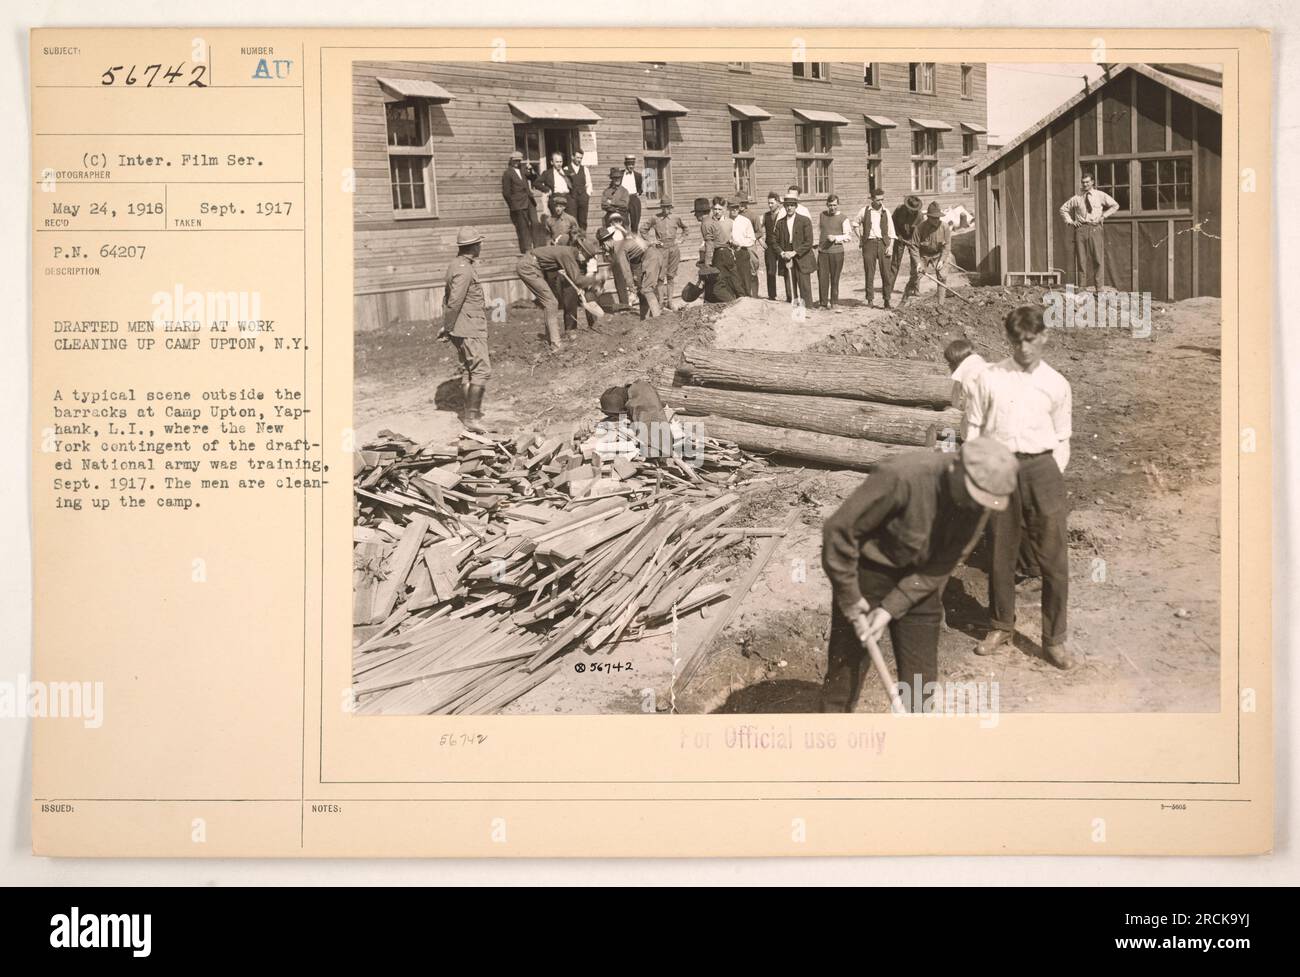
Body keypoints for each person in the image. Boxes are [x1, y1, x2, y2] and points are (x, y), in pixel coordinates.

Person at [820, 437, 1019, 712]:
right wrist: (850, 596)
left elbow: (943, 564)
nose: (976, 506)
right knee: (845, 674)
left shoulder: (980, 502)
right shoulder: (902, 476)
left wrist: (891, 608)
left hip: (920, 580)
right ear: (956, 468)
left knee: (920, 685)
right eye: (973, 495)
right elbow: (838, 532)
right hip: (869, 573)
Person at [966, 305, 1074, 670]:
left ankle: (1054, 639)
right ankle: (1000, 626)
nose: (1024, 348)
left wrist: (1050, 474)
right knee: (1000, 552)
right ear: (1008, 340)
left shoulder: (1056, 383)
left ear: (1044, 337)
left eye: (1030, 339)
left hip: (1042, 468)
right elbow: (973, 428)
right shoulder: (990, 377)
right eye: (1016, 341)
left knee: (1054, 559)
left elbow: (1062, 437)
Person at [442, 226, 493, 433]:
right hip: (469, 327)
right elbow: (454, 301)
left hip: (461, 326)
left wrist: (448, 327)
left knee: (468, 370)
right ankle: (472, 417)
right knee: (481, 369)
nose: (481, 246)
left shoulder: (456, 264)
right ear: (473, 247)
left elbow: (448, 299)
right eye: (479, 243)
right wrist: (447, 328)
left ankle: (469, 414)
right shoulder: (464, 269)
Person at [515, 235, 603, 349]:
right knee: (551, 302)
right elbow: (578, 280)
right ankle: (556, 344)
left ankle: (550, 338)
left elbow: (574, 278)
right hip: (528, 267)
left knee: (550, 302)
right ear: (580, 250)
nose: (587, 260)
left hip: (533, 265)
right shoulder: (568, 255)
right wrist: (596, 278)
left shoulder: (568, 253)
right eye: (587, 256)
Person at [1058, 172, 1119, 291]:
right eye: (1083, 182)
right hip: (1081, 230)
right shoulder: (1077, 197)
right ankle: (1082, 287)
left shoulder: (1100, 195)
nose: (1085, 184)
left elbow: (1115, 205)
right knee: (1081, 259)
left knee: (1098, 259)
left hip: (1095, 228)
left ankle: (1099, 287)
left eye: (1087, 182)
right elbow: (1063, 209)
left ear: (1092, 182)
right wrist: (1071, 221)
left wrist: (1103, 216)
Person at [597, 225, 663, 319]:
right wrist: (636, 285)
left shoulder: (618, 249)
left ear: (605, 243)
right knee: (641, 291)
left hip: (652, 257)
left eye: (602, 247)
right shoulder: (618, 245)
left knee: (647, 289)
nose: (603, 250)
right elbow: (634, 263)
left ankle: (657, 319)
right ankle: (644, 320)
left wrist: (631, 288)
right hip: (645, 260)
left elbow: (626, 270)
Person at [852, 187, 895, 308]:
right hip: (869, 244)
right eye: (878, 200)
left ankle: (887, 300)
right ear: (872, 199)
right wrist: (860, 237)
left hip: (883, 244)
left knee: (886, 273)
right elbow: (855, 224)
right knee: (869, 272)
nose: (880, 202)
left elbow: (892, 232)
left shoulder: (886, 212)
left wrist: (890, 246)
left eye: (882, 199)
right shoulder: (864, 211)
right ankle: (870, 299)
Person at [643, 199, 689, 308]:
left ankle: (670, 302)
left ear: (671, 208)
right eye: (664, 207)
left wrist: (681, 239)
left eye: (668, 207)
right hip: (661, 249)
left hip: (673, 248)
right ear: (661, 207)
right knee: (660, 277)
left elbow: (686, 228)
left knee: (671, 276)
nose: (666, 209)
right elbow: (643, 229)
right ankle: (660, 302)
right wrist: (651, 241)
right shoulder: (655, 218)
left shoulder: (676, 218)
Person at [943, 338, 988, 442]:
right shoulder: (980, 367)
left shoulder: (970, 376)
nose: (949, 366)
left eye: (950, 363)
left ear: (955, 363)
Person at [776, 191, 815, 307]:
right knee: (790, 289)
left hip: (801, 257)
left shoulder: (804, 221)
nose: (789, 208)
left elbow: (809, 242)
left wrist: (794, 252)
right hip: (786, 258)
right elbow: (774, 242)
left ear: (796, 206)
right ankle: (793, 311)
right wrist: (782, 253)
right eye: (787, 205)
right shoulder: (780, 223)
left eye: (792, 205)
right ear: (784, 207)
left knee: (805, 287)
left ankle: (808, 309)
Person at [909, 202, 953, 306]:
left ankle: (940, 304)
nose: (936, 220)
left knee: (942, 277)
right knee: (915, 276)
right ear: (928, 217)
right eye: (934, 218)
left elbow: (946, 247)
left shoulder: (945, 227)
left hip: (939, 254)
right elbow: (914, 246)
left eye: (938, 218)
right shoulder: (919, 228)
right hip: (923, 254)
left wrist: (942, 260)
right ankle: (905, 301)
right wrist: (918, 263)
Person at [817, 193, 852, 308]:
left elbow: (848, 236)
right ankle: (823, 303)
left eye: (835, 205)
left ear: (838, 204)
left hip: (837, 253)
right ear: (827, 205)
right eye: (830, 205)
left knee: (835, 278)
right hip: (823, 252)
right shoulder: (822, 215)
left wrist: (836, 238)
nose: (833, 207)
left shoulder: (843, 218)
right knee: (822, 277)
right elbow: (820, 230)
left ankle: (834, 302)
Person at [501, 150, 537, 253]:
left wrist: (531, 170)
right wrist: (513, 205)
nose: (517, 163)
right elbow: (506, 193)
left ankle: (537, 247)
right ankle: (527, 250)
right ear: (511, 161)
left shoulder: (522, 170)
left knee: (535, 223)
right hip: (518, 205)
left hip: (529, 201)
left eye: (519, 161)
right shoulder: (507, 173)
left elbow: (534, 178)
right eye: (515, 161)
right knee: (523, 227)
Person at [891, 194, 925, 301]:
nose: (913, 212)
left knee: (915, 263)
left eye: (915, 210)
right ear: (907, 207)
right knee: (895, 263)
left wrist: (913, 242)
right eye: (911, 210)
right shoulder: (899, 210)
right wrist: (897, 235)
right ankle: (889, 287)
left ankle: (915, 288)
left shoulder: (919, 216)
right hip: (899, 237)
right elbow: (892, 224)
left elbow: (920, 232)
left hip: (913, 239)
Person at [760, 192, 788, 301]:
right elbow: (757, 228)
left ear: (778, 203)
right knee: (771, 271)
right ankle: (772, 296)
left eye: (772, 203)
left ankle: (789, 296)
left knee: (785, 269)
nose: (770, 205)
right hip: (770, 247)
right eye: (768, 203)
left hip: (782, 246)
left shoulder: (784, 214)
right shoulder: (765, 216)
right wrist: (760, 240)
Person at [728, 199, 758, 296]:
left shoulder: (745, 221)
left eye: (736, 208)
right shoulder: (725, 221)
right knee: (732, 279)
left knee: (745, 278)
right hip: (728, 253)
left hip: (742, 252)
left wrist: (739, 243)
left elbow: (752, 239)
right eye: (732, 208)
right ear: (728, 208)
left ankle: (747, 298)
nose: (734, 210)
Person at [533, 150, 570, 215]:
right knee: (558, 220)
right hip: (555, 197)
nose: (559, 164)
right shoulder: (547, 173)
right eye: (557, 162)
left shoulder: (567, 172)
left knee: (570, 220)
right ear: (552, 162)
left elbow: (574, 184)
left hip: (568, 197)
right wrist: (547, 190)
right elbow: (536, 183)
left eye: (561, 162)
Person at [564, 148, 592, 231]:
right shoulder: (566, 169)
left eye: (581, 158)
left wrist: (587, 194)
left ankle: (583, 240)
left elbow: (589, 183)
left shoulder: (585, 169)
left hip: (583, 197)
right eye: (577, 157)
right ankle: (574, 242)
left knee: (583, 220)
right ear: (573, 157)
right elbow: (564, 184)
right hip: (572, 198)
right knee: (573, 220)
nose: (579, 160)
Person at [620, 154, 643, 233]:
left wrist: (638, 193)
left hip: (634, 199)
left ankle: (634, 240)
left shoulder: (638, 175)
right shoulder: (620, 174)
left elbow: (640, 188)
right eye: (629, 164)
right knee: (623, 221)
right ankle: (626, 240)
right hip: (623, 200)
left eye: (633, 164)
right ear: (625, 164)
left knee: (635, 221)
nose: (631, 166)